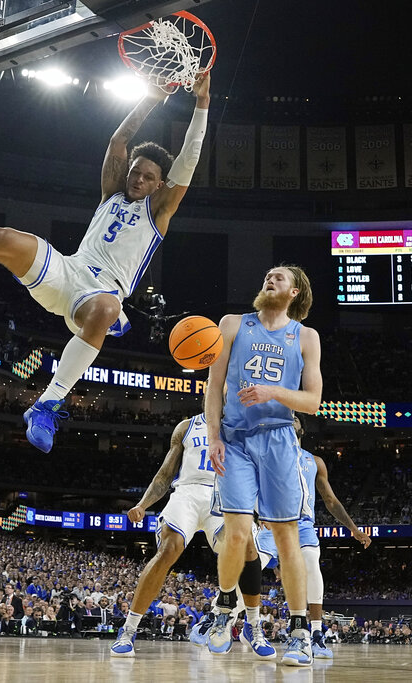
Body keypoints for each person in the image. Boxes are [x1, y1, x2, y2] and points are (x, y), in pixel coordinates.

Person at [0, 74, 211, 453]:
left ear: (160, 185)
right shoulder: (112, 193)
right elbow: (118, 142)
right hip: (66, 271)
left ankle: (47, 404)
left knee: (109, 307)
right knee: (0, 238)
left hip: (102, 294)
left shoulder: (158, 211)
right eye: (135, 171)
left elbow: (189, 158)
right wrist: (151, 98)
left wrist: (201, 102)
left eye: (148, 177)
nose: (138, 179)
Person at [205, 264, 322, 666]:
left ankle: (300, 631)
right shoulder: (233, 324)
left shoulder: (305, 336)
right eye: (268, 275)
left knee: (287, 536)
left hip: (279, 438)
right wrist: (214, 436)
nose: (270, 279)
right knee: (236, 534)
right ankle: (223, 613)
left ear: (294, 292)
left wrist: (273, 390)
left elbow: (312, 401)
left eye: (279, 278)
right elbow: (213, 383)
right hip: (235, 440)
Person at [110, 413, 272, 659]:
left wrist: (264, 510)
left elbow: (252, 476)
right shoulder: (186, 426)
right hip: (186, 493)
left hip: (222, 494)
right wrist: (143, 504)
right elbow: (165, 475)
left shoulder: (240, 428)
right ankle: (128, 630)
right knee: (167, 550)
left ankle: (252, 625)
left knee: (247, 544)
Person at [251, 413, 371, 659]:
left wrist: (353, 528)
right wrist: (255, 513)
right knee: (251, 568)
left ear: (302, 430)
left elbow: (330, 500)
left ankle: (315, 634)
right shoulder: (267, 455)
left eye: (295, 418)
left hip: (303, 524)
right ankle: (234, 620)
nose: (290, 419)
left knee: (311, 564)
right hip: (272, 522)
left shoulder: (314, 461)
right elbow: (253, 486)